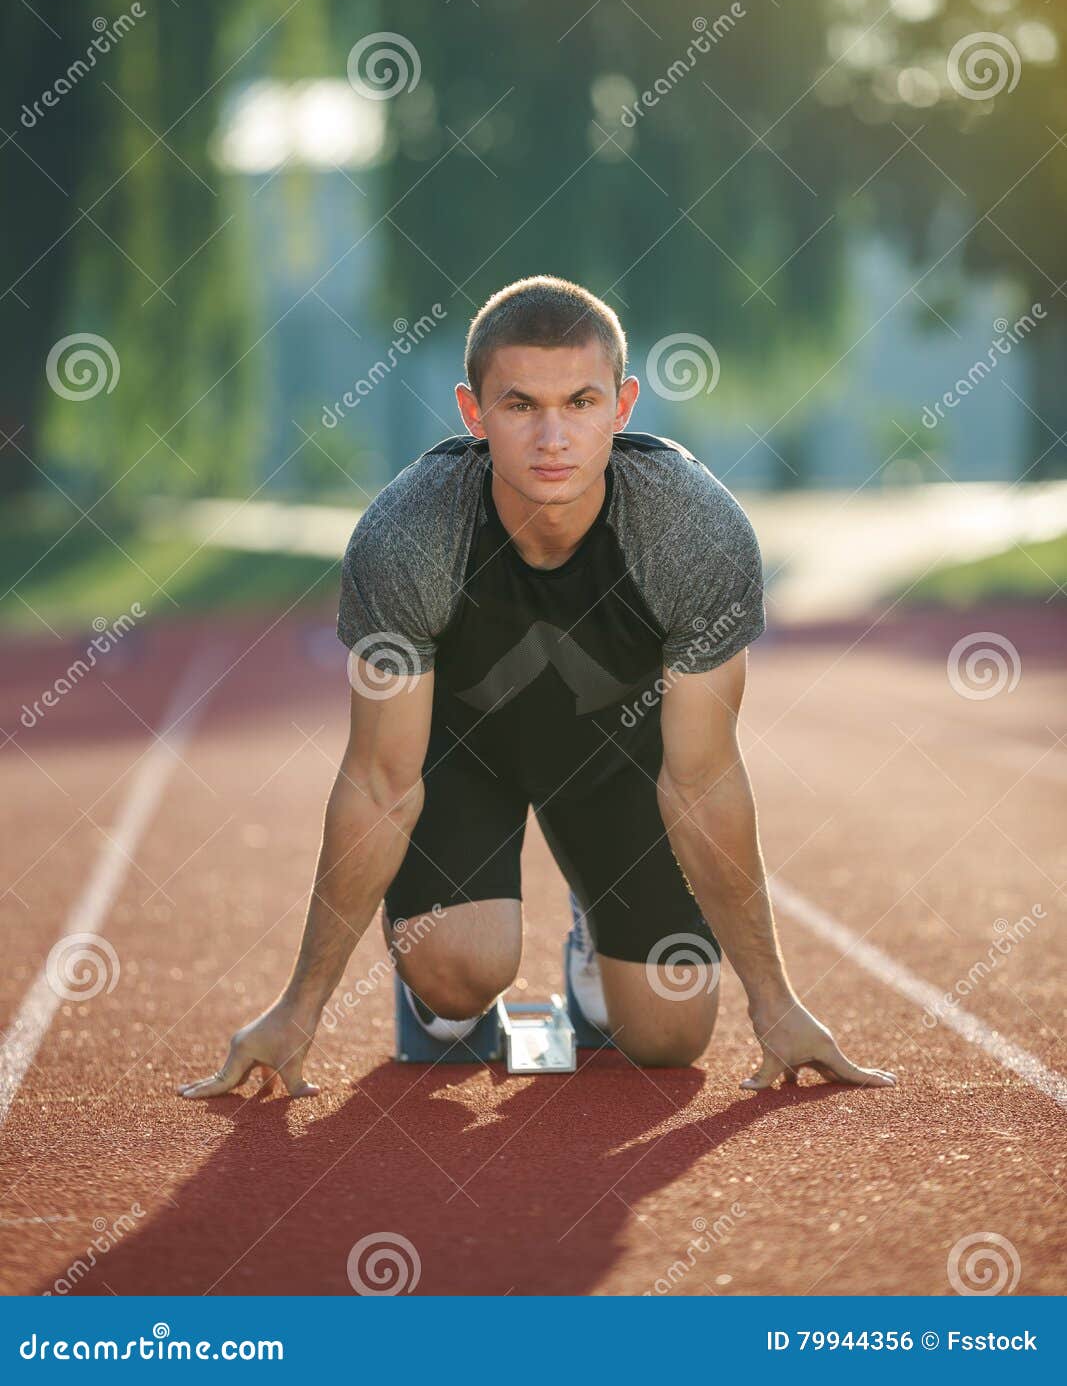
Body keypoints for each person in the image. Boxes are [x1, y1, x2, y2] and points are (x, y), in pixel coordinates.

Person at [179, 276, 895, 1100]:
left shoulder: (693, 532)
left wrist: (774, 1004)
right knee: (460, 976)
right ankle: (437, 983)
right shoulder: (408, 536)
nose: (552, 436)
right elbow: (379, 782)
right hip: (462, 763)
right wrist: (298, 1008)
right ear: (472, 412)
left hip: (614, 761)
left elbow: (701, 781)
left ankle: (594, 943)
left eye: (580, 402)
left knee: (668, 1037)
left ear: (622, 405)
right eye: (519, 406)